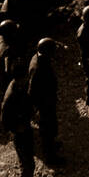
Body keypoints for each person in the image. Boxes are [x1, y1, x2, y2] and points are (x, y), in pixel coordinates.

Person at [0, 64, 37, 177]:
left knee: (28, 159)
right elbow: (4, 116)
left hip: (24, 128)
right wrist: (15, 129)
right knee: (27, 163)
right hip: (20, 132)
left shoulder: (17, 86)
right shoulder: (13, 93)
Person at [28, 37, 64, 167]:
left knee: (51, 125)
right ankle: (51, 158)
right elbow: (32, 90)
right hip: (44, 103)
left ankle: (52, 145)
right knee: (46, 129)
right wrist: (36, 107)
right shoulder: (38, 67)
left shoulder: (40, 58)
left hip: (48, 100)